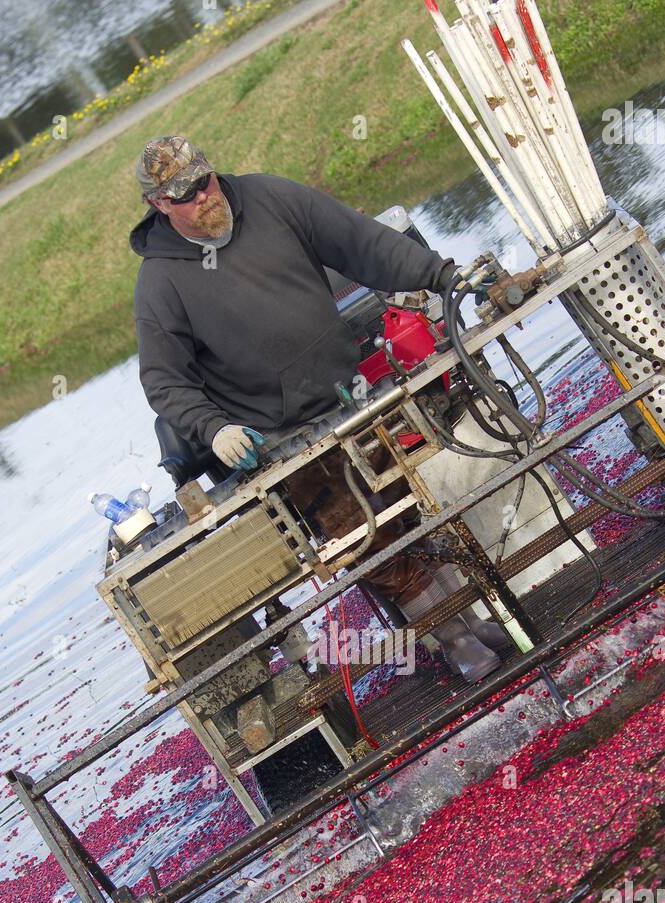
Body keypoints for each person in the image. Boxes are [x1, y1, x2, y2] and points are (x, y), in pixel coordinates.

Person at [130, 135, 507, 680]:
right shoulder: (161, 282)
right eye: (185, 195)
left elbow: (363, 244)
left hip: (350, 400)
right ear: (159, 206)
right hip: (284, 445)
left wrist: (443, 275)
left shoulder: (271, 199)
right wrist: (214, 431)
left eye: (205, 181)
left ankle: (470, 617)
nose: (204, 196)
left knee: (409, 510)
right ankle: (452, 639)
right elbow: (164, 382)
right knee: (366, 538)